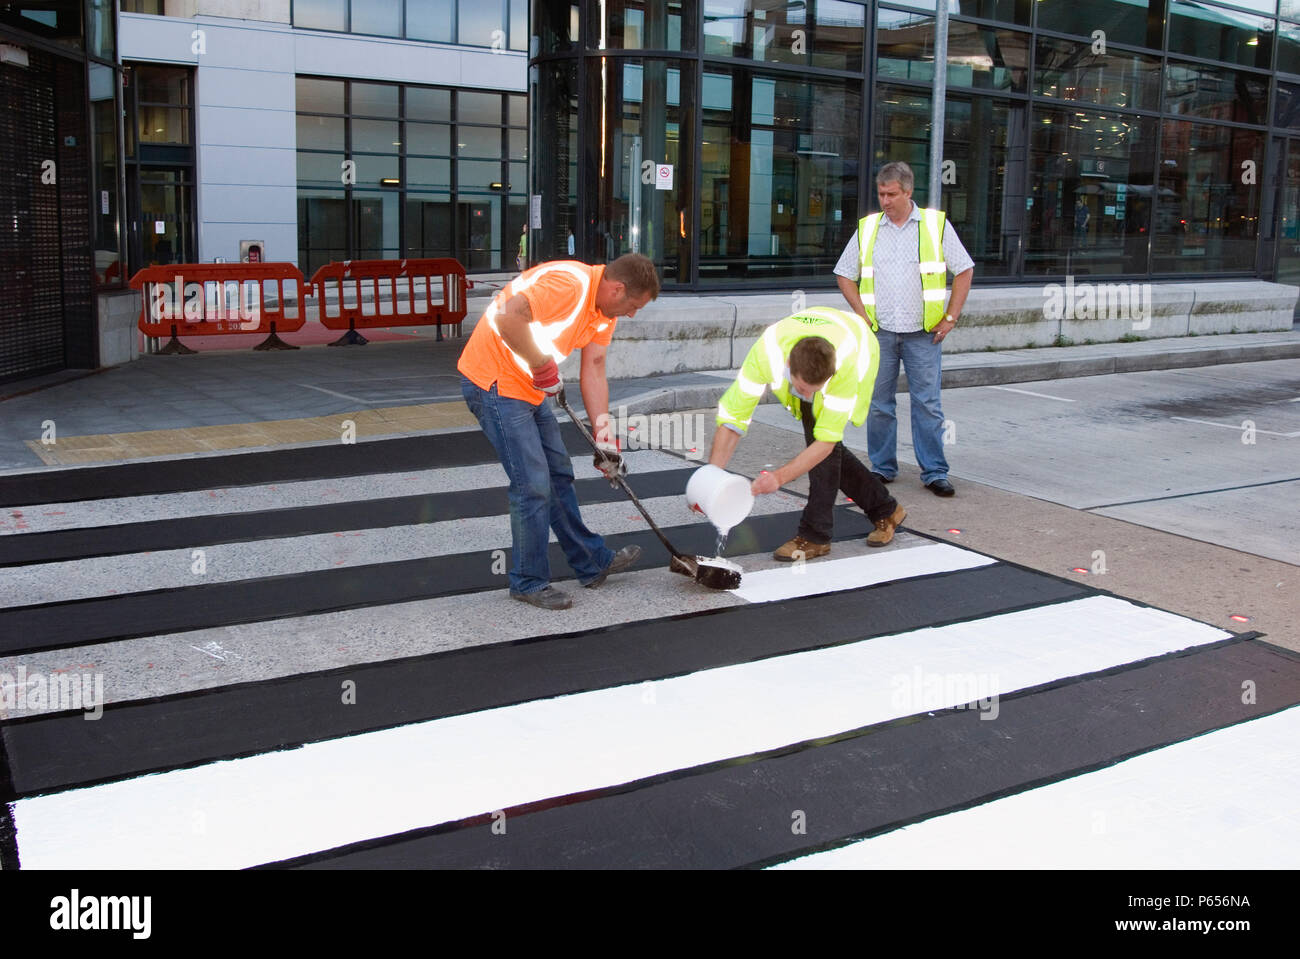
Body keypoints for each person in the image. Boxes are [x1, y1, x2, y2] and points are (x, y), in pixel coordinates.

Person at [457, 253, 660, 609]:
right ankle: (528, 580)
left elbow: (594, 368)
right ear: (617, 288)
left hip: (529, 387)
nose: (632, 314)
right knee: (532, 484)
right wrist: (541, 365)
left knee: (559, 474)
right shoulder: (569, 285)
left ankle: (591, 562)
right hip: (494, 383)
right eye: (633, 305)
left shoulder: (604, 312)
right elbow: (508, 318)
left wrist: (604, 440)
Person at [706, 306, 907, 561]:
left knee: (824, 448)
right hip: (813, 341)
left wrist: (778, 478)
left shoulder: (846, 365)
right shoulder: (766, 352)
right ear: (789, 365)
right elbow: (733, 419)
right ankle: (886, 510)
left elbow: (825, 443)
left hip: (860, 342)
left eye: (816, 389)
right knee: (824, 446)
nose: (809, 396)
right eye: (802, 388)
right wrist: (711, 479)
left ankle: (815, 536)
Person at [834, 160, 974, 497]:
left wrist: (951, 317)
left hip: (923, 334)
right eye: (881, 194)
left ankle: (934, 472)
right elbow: (843, 273)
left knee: (927, 403)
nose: (885, 200)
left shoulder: (934, 226)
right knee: (879, 404)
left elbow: (965, 269)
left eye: (891, 194)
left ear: (908, 192)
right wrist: (861, 315)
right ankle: (882, 468)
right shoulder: (868, 228)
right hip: (879, 332)